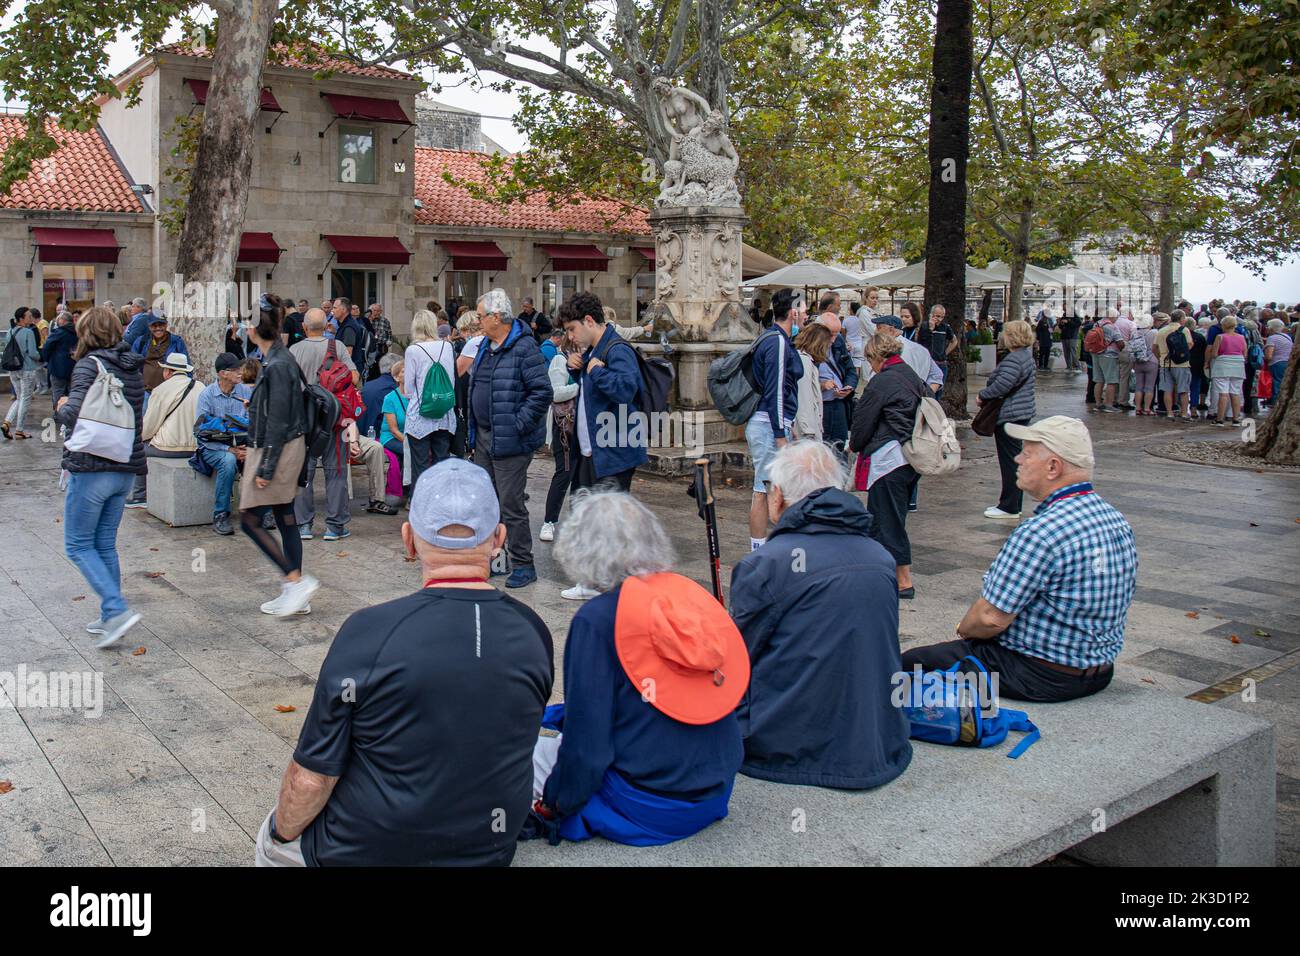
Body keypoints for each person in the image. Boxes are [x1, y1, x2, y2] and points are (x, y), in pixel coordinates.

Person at [256, 458, 554, 866]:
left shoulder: (367, 632)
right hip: (486, 851)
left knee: (271, 838)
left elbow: (311, 778)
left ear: (408, 540)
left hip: (361, 852)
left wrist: (280, 832)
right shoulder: (533, 632)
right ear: (499, 538)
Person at [526, 491, 746, 845]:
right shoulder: (688, 594)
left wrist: (554, 805)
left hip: (649, 801)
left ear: (580, 551)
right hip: (715, 790)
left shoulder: (598, 619)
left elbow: (588, 750)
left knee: (522, 753)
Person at [902, 417, 1135, 702]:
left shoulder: (1043, 530)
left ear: (1053, 467)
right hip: (1097, 670)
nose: (1017, 459)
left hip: (1037, 674)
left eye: (1026, 452)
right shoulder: (1114, 519)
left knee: (905, 664)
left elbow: (989, 619)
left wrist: (963, 630)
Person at [730, 440, 912, 789]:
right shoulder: (880, 557)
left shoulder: (766, 564)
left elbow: (736, 657)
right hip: (880, 739)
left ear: (778, 495)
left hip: (786, 748)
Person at [54, 306, 146, 648]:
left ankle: (115, 608)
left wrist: (61, 404)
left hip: (93, 467)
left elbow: (73, 412)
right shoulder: (132, 368)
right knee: (104, 543)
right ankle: (110, 616)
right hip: (125, 466)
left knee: (78, 544)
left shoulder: (88, 366)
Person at [468, 288, 551, 589]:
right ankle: (497, 559)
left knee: (511, 503)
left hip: (510, 440)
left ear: (497, 317)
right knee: (488, 503)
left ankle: (524, 564)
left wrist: (516, 424)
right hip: (484, 437)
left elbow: (542, 392)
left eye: (480, 316)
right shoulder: (484, 346)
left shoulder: (524, 348)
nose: (477, 321)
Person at [242, 294, 318, 617]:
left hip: (277, 449)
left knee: (250, 520)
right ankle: (295, 589)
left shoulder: (277, 363)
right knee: (285, 516)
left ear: (255, 328)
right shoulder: (278, 359)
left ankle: (295, 581)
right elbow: (279, 408)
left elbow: (278, 420)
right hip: (284, 445)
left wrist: (267, 467)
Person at [849, 332, 925, 598]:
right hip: (909, 456)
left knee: (887, 520)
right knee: (891, 517)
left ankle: (903, 580)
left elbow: (863, 420)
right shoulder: (910, 375)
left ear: (877, 356)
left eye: (869, 359)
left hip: (888, 457)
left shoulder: (882, 381)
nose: (869, 365)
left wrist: (855, 444)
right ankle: (878, 572)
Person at [561, 291, 648, 493]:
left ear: (589, 321)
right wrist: (576, 370)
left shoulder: (618, 349)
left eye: (572, 329)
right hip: (593, 453)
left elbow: (625, 391)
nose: (570, 336)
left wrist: (597, 372)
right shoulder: (593, 349)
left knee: (605, 522)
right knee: (584, 518)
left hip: (612, 457)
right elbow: (593, 393)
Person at [745, 288, 804, 553]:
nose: (806, 315)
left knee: (767, 488)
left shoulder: (772, 338)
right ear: (793, 312)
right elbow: (776, 390)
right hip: (770, 424)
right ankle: (763, 550)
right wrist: (781, 434)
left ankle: (763, 548)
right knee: (765, 489)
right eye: (803, 310)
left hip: (768, 422)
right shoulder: (778, 342)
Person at [291, 308, 357, 541]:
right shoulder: (337, 347)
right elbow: (354, 377)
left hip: (303, 422)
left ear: (304, 327)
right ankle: (335, 527)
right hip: (334, 420)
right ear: (326, 327)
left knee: (303, 473)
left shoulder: (294, 350)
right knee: (336, 472)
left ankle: (304, 526)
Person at [127, 353, 201, 507]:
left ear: (168, 371)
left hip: (168, 447)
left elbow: (149, 426)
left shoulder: (161, 389)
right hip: (196, 448)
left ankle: (140, 496)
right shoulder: (201, 387)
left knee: (136, 449)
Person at [980, 319, 1036, 519]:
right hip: (1021, 412)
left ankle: (1009, 506)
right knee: (1012, 458)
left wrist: (983, 394)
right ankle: (1012, 503)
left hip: (1010, 414)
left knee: (1010, 461)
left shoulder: (1015, 359)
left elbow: (1002, 385)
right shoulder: (1025, 356)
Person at [195, 353, 254, 536]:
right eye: (235, 369)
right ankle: (221, 514)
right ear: (223, 373)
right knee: (228, 461)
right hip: (214, 448)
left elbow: (256, 423)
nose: (240, 372)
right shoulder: (207, 396)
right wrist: (229, 449)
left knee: (259, 457)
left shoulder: (245, 392)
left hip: (242, 444)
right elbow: (200, 433)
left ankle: (261, 511)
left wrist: (247, 447)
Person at [403, 309, 458, 485]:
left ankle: (420, 503)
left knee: (420, 463)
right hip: (444, 411)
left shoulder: (413, 350)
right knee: (441, 461)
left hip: (420, 413)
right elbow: (451, 379)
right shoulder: (447, 346)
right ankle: (440, 503)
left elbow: (409, 388)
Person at [540, 326, 580, 544]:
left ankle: (577, 523)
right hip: (563, 426)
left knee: (580, 477)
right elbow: (554, 393)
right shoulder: (559, 360)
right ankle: (549, 521)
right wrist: (581, 387)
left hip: (580, 426)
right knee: (563, 473)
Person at [1, 307, 40, 440]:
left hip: (13, 369)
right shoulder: (28, 332)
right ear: (21, 319)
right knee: (25, 399)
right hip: (27, 369)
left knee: (19, 398)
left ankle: (7, 423)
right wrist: (41, 356)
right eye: (28, 316)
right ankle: (19, 430)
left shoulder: (10, 331)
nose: (31, 318)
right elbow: (33, 353)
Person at [791, 322, 830, 442]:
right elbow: (804, 396)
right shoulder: (804, 361)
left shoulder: (805, 360)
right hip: (805, 429)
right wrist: (808, 430)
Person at [1154, 308, 1194, 422]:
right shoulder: (1184, 330)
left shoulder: (1161, 331)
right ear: (1182, 318)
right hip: (1182, 364)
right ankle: (1184, 413)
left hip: (1165, 363)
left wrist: (1160, 358)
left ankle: (1169, 412)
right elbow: (1190, 344)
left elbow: (1154, 348)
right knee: (1184, 390)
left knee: (1167, 389)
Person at [1207, 314, 1247, 426]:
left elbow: (1214, 353)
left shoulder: (1220, 337)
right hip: (1238, 365)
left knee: (1223, 393)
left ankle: (1219, 419)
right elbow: (1245, 353)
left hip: (1222, 364)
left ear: (1223, 325)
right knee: (1236, 393)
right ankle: (1236, 419)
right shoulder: (1241, 337)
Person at [132, 314, 189, 393]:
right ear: (149, 326)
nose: (158, 328)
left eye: (161, 325)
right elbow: (133, 364)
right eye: (154, 325)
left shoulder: (176, 341)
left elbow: (186, 365)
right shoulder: (141, 341)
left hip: (169, 391)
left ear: (166, 325)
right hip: (146, 391)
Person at [40, 310, 78, 412]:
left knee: (58, 392)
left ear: (63, 321)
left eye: (59, 319)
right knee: (73, 392)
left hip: (58, 367)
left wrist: (48, 360)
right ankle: (72, 413)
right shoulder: (78, 332)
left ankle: (58, 414)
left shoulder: (58, 332)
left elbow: (46, 348)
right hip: (74, 366)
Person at [357, 352, 400, 440]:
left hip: (361, 434)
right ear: (394, 369)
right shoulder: (393, 389)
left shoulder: (368, 385)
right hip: (378, 437)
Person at [1091, 309, 1124, 412]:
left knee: (1099, 380)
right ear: (1113, 316)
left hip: (1095, 353)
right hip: (1109, 356)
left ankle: (1098, 404)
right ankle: (1109, 404)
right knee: (1111, 381)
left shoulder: (1097, 324)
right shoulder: (1112, 327)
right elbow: (1120, 343)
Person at [1130, 312, 1159, 416]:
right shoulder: (1154, 332)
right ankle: (1147, 408)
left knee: (1139, 386)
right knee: (1149, 387)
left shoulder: (1135, 332)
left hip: (1138, 361)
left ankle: (1138, 408)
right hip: (1152, 361)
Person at [1264, 317, 1292, 408]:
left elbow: (1269, 355)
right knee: (1284, 383)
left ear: (1271, 328)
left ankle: (1276, 404)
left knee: (1277, 384)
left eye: (1267, 326)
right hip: (1287, 361)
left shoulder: (1272, 338)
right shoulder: (1287, 336)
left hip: (1277, 363)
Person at [1113, 307, 1136, 409]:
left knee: (1115, 376)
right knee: (1124, 377)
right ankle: (1123, 400)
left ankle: (1113, 398)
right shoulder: (1130, 324)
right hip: (1126, 349)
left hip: (1113, 349)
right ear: (1129, 313)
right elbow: (1134, 338)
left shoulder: (1114, 322)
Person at [367, 302, 392, 379]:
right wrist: (370, 320)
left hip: (382, 347)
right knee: (371, 367)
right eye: (374, 310)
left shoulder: (385, 321)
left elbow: (389, 333)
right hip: (370, 348)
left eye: (378, 311)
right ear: (371, 311)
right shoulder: (367, 320)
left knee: (381, 365)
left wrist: (389, 341)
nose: (376, 313)